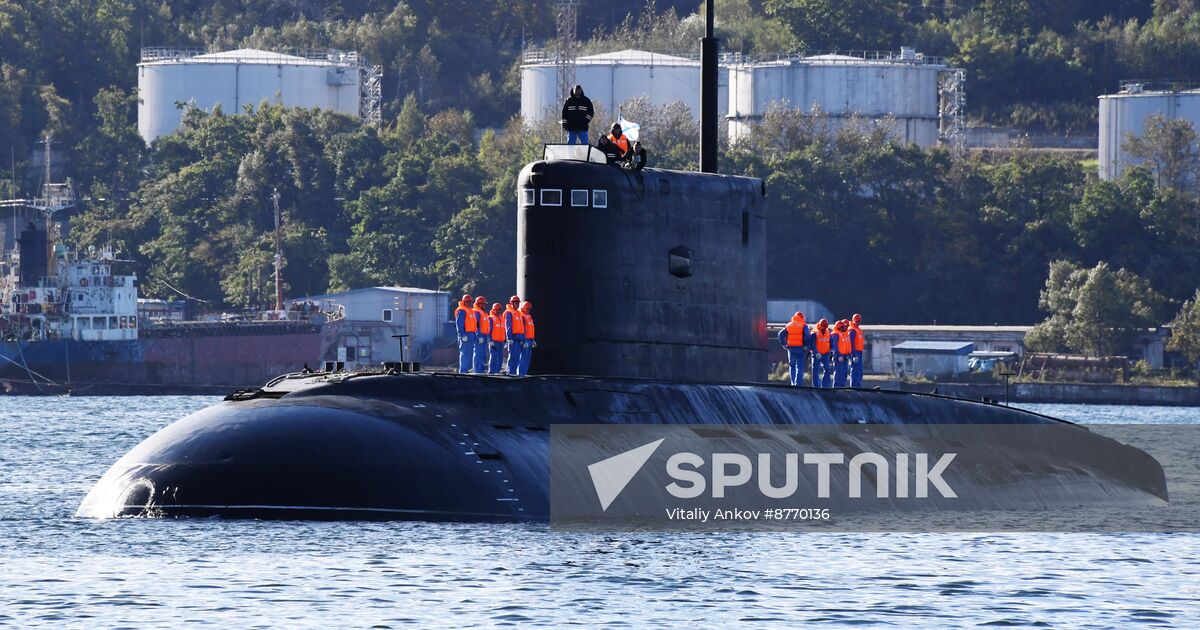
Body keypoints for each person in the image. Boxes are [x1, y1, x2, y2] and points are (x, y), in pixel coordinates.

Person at [777, 311, 809, 387]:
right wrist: (806, 345)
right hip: (800, 348)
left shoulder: (789, 325)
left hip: (791, 349)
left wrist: (784, 344)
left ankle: (793, 384)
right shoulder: (804, 325)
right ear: (802, 318)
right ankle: (798, 384)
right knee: (800, 367)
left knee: (792, 366)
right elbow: (807, 336)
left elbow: (780, 334)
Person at [453, 294, 477, 373]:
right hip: (465, 335)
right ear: (464, 302)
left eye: (470, 302)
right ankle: (463, 370)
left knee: (469, 353)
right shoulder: (462, 310)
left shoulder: (470, 310)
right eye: (468, 302)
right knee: (464, 353)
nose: (470, 303)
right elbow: (459, 324)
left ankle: (466, 369)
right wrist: (462, 335)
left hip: (471, 335)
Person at [504, 295, 526, 376]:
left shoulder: (518, 313)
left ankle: (514, 373)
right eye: (516, 303)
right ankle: (510, 372)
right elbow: (508, 326)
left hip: (519, 338)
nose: (518, 304)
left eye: (518, 303)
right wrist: (509, 338)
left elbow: (522, 327)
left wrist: (522, 339)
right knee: (512, 356)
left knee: (517, 357)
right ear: (512, 303)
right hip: (513, 338)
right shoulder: (509, 313)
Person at [831, 319, 853, 388]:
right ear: (839, 327)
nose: (845, 327)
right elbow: (835, 346)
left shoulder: (843, 334)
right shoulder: (836, 334)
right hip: (839, 357)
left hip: (844, 356)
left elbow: (846, 346)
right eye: (843, 326)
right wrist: (839, 355)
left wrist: (849, 355)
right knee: (838, 373)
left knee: (844, 373)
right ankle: (836, 387)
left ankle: (842, 387)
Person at [811, 319, 832, 388]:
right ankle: (816, 386)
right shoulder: (814, 333)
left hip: (825, 354)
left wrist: (831, 351)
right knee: (815, 370)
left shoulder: (828, 332)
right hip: (817, 355)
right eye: (823, 327)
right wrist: (816, 352)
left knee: (827, 370)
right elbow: (812, 344)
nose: (824, 328)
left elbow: (830, 342)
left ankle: (825, 386)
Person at [472, 296, 490, 374]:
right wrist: (479, 335)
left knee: (482, 355)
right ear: (479, 304)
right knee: (478, 354)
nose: (485, 306)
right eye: (483, 304)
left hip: (484, 336)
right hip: (480, 336)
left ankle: (481, 370)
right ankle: (477, 371)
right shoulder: (476, 312)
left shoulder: (483, 313)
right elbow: (476, 325)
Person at [487, 303, 507, 374]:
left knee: (500, 358)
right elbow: (489, 330)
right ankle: (492, 372)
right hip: (494, 342)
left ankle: (497, 371)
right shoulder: (491, 318)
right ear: (494, 310)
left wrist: (505, 341)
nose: (498, 311)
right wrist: (490, 341)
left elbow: (504, 330)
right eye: (497, 310)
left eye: (499, 310)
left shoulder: (501, 318)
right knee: (493, 357)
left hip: (501, 342)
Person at [519, 301, 536, 376]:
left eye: (529, 309)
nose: (528, 310)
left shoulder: (529, 317)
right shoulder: (522, 317)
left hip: (530, 340)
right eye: (526, 309)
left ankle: (525, 373)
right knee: (523, 358)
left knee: (527, 358)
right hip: (525, 341)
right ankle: (520, 374)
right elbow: (522, 329)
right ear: (523, 308)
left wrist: (533, 340)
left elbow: (531, 330)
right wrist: (524, 340)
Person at [849, 313, 866, 388]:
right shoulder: (852, 330)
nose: (858, 323)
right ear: (853, 321)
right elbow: (851, 343)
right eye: (857, 321)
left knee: (859, 371)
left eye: (859, 321)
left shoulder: (859, 330)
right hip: (855, 352)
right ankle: (854, 386)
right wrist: (853, 354)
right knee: (855, 370)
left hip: (859, 352)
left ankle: (858, 385)